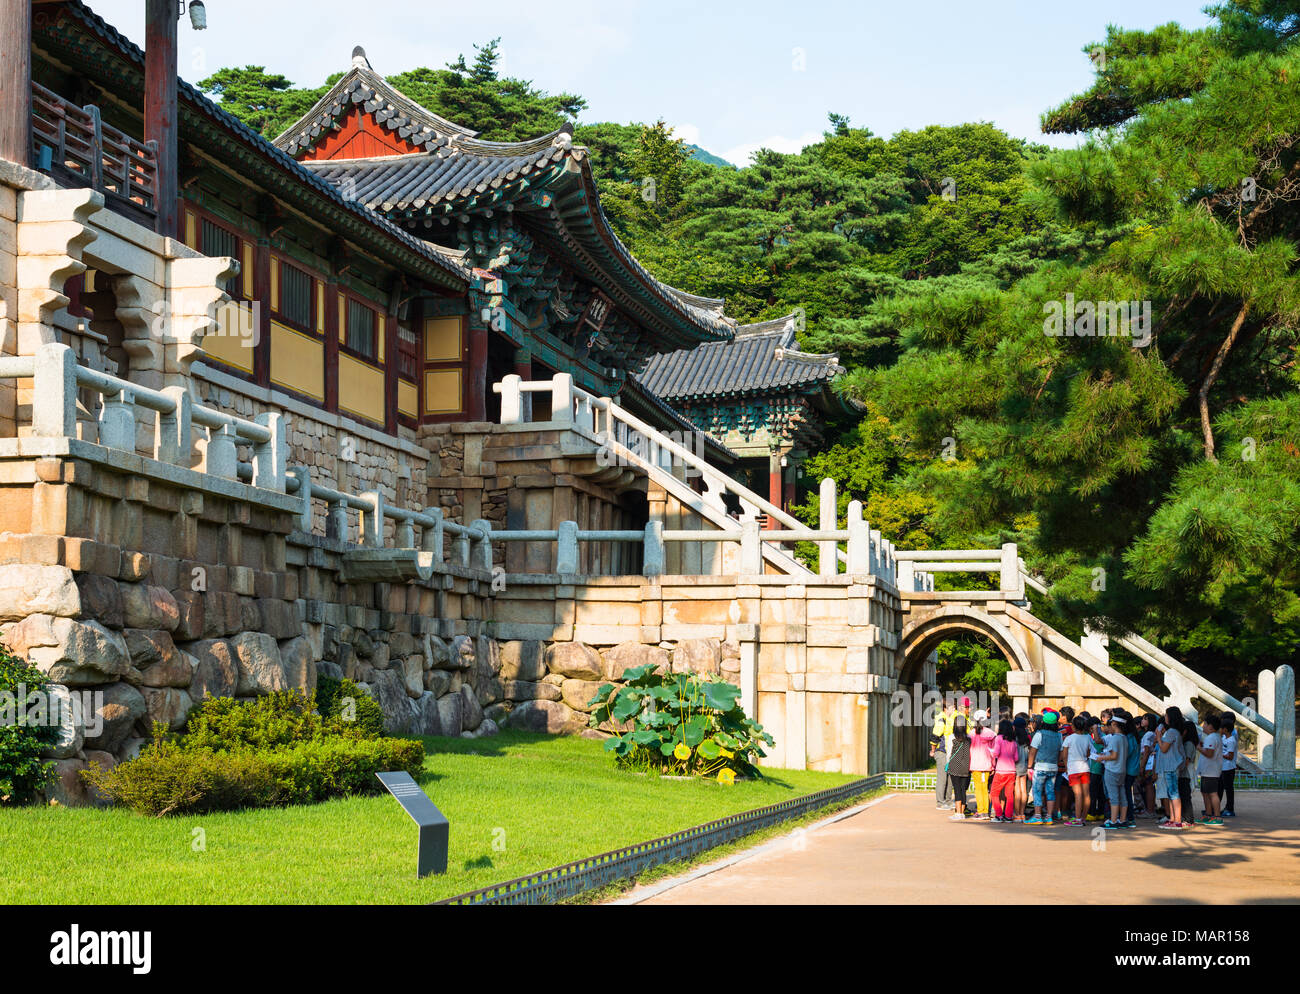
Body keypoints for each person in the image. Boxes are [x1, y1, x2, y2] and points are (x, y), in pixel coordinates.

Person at [1092, 713, 1130, 828]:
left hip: (1112, 769)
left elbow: (1113, 756)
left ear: (1114, 724)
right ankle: (1122, 820)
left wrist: (1101, 758)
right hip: (1121, 770)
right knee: (1122, 796)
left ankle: (1113, 821)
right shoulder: (1124, 737)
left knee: (1113, 796)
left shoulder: (1115, 738)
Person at [1026, 709, 1063, 825]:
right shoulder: (1059, 736)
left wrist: (1029, 766)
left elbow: (1032, 751)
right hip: (1053, 767)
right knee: (1050, 791)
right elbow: (1061, 752)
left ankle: (1037, 816)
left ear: (1043, 722)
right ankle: (1049, 817)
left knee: (1037, 791)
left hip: (1040, 766)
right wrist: (1055, 762)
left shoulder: (1039, 734)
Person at [1155, 708, 1186, 829]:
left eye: (1167, 715)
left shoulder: (1172, 731)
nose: (1165, 718)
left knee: (1173, 793)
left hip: (1171, 767)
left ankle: (1177, 820)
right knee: (1171, 793)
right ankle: (1173, 819)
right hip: (1169, 766)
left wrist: (1158, 737)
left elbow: (1163, 748)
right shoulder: (1172, 731)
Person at [1063, 715, 1093, 826]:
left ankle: (1077, 819)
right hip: (1085, 767)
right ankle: (1083, 818)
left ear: (1074, 726)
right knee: (1086, 794)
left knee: (1078, 795)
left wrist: (1066, 767)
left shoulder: (1069, 738)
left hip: (1073, 768)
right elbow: (1089, 753)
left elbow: (1064, 755)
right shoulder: (1088, 737)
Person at [990, 719, 1019, 822]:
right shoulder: (1014, 741)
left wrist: (991, 754)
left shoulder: (998, 738)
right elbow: (1016, 758)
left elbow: (996, 753)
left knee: (994, 793)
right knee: (1009, 795)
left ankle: (998, 815)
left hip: (1001, 770)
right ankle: (1008, 816)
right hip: (1012, 771)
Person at [1197, 714, 1224, 826]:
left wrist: (1198, 747)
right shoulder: (1214, 737)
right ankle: (1208, 815)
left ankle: (1217, 816)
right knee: (1205, 793)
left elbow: (1209, 753)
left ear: (1211, 726)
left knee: (1212, 793)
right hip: (1209, 770)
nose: (1203, 726)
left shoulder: (1211, 738)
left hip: (1211, 771)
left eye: (1205, 724)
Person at [969, 711, 996, 820]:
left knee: (978, 789)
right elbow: (994, 751)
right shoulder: (991, 733)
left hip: (975, 765)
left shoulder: (971, 733)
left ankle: (981, 811)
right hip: (987, 765)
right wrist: (993, 765)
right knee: (985, 789)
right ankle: (986, 812)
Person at [930, 699, 956, 809]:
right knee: (943, 778)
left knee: (950, 777)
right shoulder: (941, 719)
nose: (954, 709)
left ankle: (948, 800)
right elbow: (935, 737)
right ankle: (940, 802)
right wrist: (932, 750)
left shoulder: (950, 718)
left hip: (949, 752)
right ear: (945, 709)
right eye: (952, 708)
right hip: (942, 752)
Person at [947, 714, 972, 821]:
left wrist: (948, 763)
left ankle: (958, 813)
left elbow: (949, 753)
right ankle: (962, 812)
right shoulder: (969, 738)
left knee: (957, 789)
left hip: (954, 766)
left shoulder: (952, 737)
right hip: (966, 766)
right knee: (963, 790)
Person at [1179, 718, 1200, 826]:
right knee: (1185, 796)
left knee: (1185, 796)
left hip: (1186, 772)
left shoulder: (1188, 744)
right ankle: (1187, 818)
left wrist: (1179, 769)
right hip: (1188, 771)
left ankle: (1188, 819)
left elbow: (1186, 761)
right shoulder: (1190, 743)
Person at [1122, 710, 1141, 827]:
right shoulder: (1134, 736)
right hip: (1132, 768)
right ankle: (1129, 817)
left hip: (1128, 769)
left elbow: (1126, 754)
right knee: (1127, 792)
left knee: (1126, 793)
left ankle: (1129, 817)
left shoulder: (1129, 737)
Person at [1138, 713, 1159, 817]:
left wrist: (1142, 766)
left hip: (1147, 760)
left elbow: (1146, 751)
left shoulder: (1148, 734)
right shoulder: (1152, 734)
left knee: (1148, 785)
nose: (1142, 720)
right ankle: (1150, 809)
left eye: (1144, 719)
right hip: (1149, 759)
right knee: (1149, 785)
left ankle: (1150, 811)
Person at [1219, 713, 1238, 818]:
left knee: (1228, 788)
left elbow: (1230, 755)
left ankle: (1230, 808)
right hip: (1223, 766)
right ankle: (1217, 807)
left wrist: (1220, 754)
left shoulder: (1232, 736)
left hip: (1228, 766)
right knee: (1221, 786)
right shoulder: (1225, 737)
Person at [1013, 715, 1031, 822]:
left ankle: (1017, 813)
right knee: (1024, 790)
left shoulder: (1014, 738)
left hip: (1016, 765)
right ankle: (1022, 813)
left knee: (1017, 790)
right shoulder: (1027, 738)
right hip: (1025, 765)